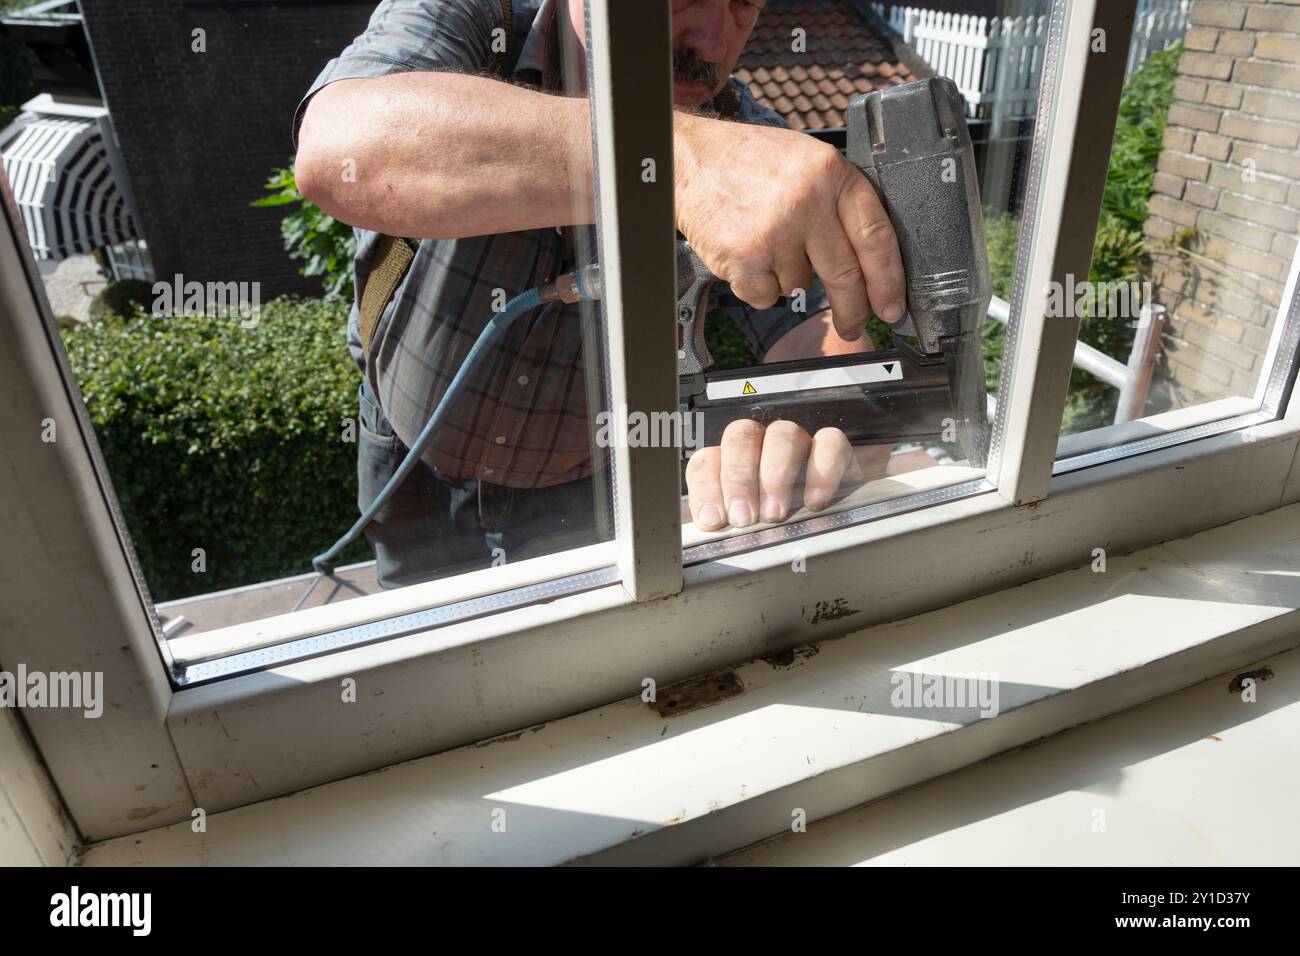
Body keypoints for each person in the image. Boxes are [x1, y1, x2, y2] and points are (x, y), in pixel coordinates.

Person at [294, 0, 905, 588]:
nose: (714, 44)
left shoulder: (747, 152)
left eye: (744, 3)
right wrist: (676, 162)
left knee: (571, 671)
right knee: (419, 667)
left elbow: (819, 325)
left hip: (584, 487)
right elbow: (336, 148)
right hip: (409, 456)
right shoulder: (481, 15)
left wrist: (808, 421)